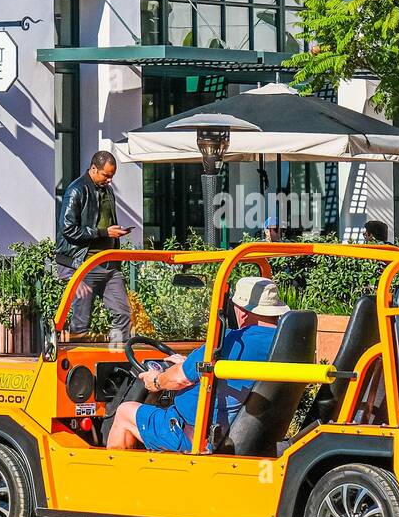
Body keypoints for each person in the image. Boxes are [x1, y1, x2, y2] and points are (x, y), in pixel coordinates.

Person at [107, 276, 289, 453]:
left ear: (241, 311)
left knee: (124, 412)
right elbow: (231, 373)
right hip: (241, 430)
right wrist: (187, 364)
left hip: (195, 434)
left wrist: (155, 381)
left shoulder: (232, 341)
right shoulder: (284, 344)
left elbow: (180, 379)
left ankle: (115, 482)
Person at [55, 151, 133, 341]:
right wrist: (104, 233)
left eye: (112, 176)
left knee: (124, 314)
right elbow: (68, 229)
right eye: (106, 175)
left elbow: (103, 222)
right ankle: (77, 362)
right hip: (86, 263)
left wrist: (115, 233)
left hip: (109, 263)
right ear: (93, 169)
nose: (109, 180)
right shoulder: (76, 190)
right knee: (81, 320)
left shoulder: (108, 191)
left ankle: (118, 357)